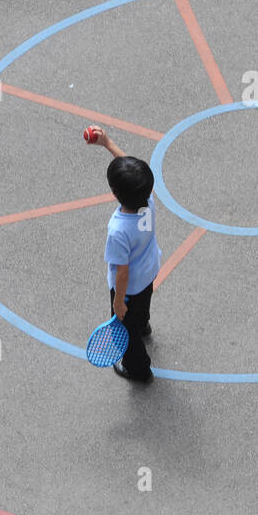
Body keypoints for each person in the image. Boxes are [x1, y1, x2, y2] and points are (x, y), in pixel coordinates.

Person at [88, 126, 160, 383]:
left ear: (116, 193)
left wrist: (119, 303)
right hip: (149, 272)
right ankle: (143, 325)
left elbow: (122, 270)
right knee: (142, 308)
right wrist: (108, 143)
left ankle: (138, 369)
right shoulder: (148, 200)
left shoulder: (118, 231)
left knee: (126, 332)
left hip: (128, 287)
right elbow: (135, 174)